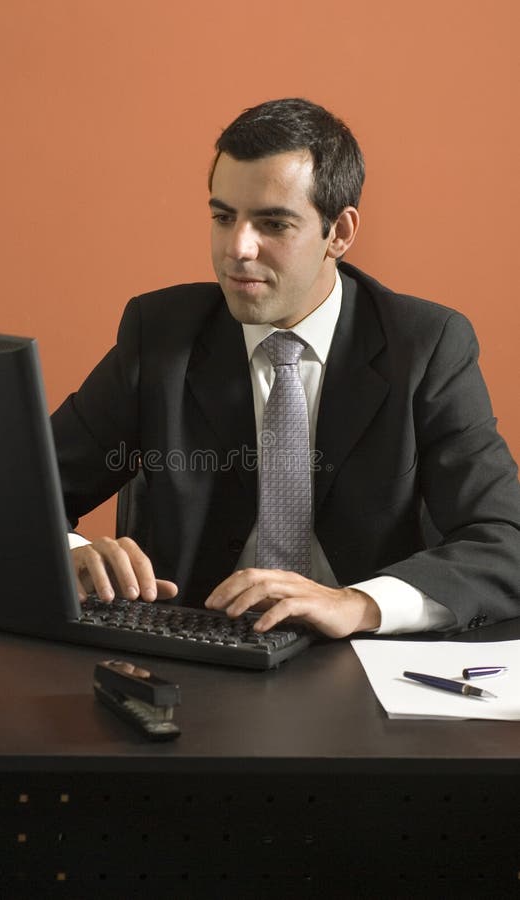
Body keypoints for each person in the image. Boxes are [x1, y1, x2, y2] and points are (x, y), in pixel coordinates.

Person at [51, 98, 520, 639]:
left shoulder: (426, 347)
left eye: (273, 223)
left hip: (360, 672)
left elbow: (503, 541)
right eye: (223, 217)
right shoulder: (160, 334)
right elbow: (21, 490)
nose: (237, 248)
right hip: (193, 657)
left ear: (339, 233)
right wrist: (72, 552)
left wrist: (357, 604)